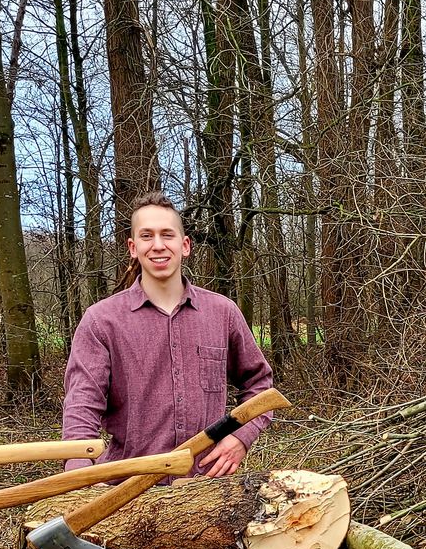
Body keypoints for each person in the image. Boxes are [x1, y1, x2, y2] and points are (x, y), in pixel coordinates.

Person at [61, 192, 275, 476]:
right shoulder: (101, 321)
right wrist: (80, 474)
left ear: (185, 245)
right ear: (132, 247)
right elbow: (82, 405)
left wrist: (240, 436)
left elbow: (260, 384)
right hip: (125, 488)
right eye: (147, 236)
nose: (158, 245)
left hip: (206, 487)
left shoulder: (222, 313)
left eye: (167, 235)